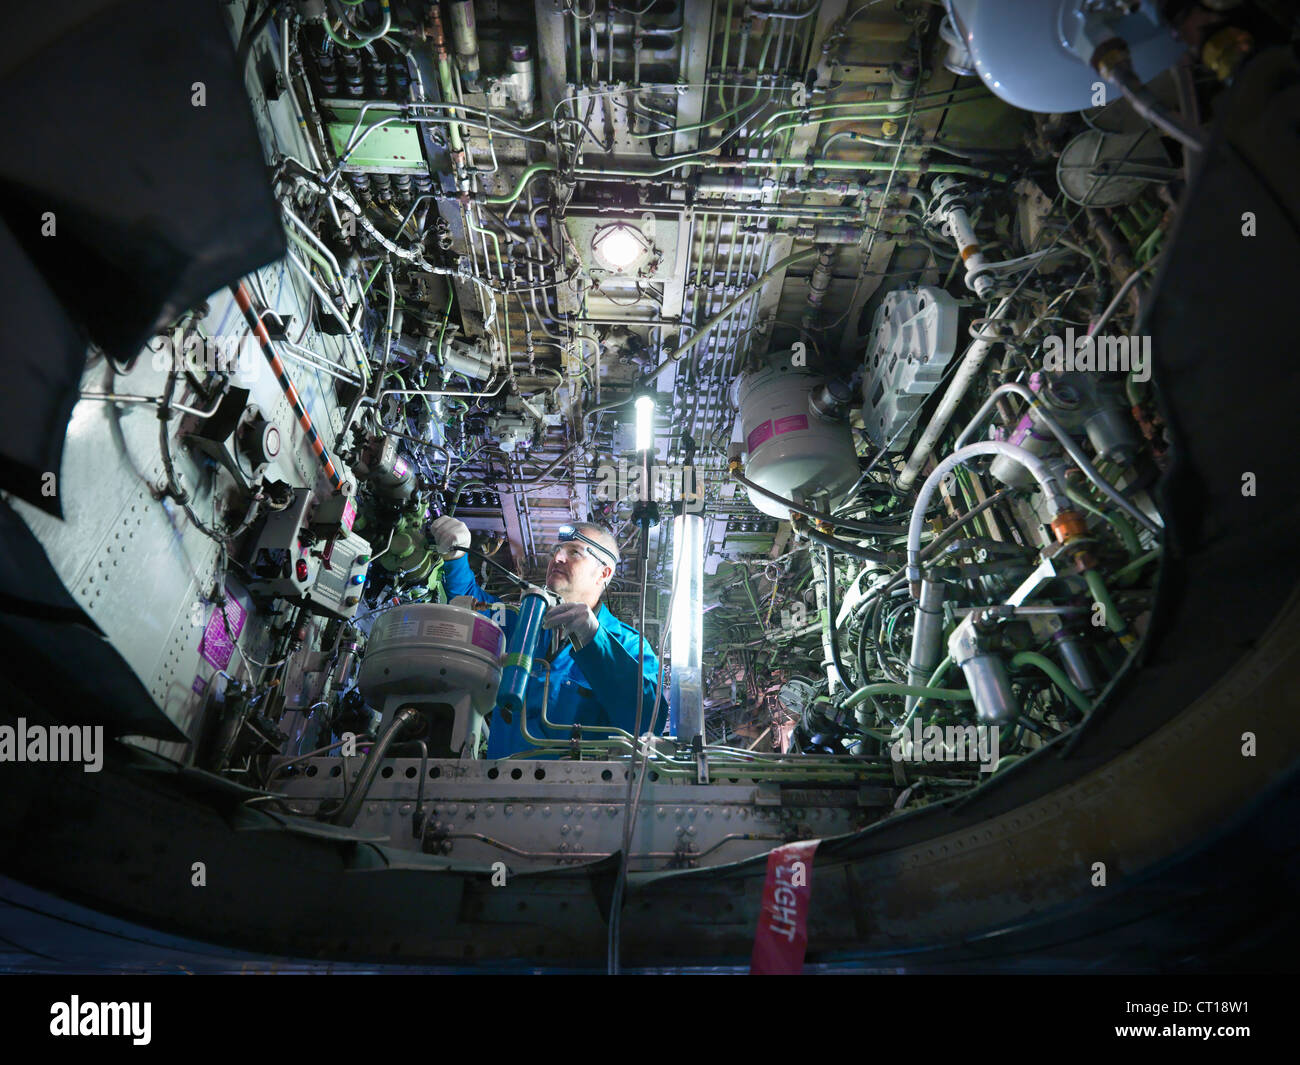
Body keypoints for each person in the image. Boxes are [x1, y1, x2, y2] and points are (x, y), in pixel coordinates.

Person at [430, 515, 661, 757]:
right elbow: (468, 606)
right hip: (498, 782)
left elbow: (648, 719)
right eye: (556, 551)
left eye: (574, 553)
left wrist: (594, 640)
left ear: (604, 573)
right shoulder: (523, 624)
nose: (557, 559)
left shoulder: (629, 645)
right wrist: (456, 557)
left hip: (575, 788)